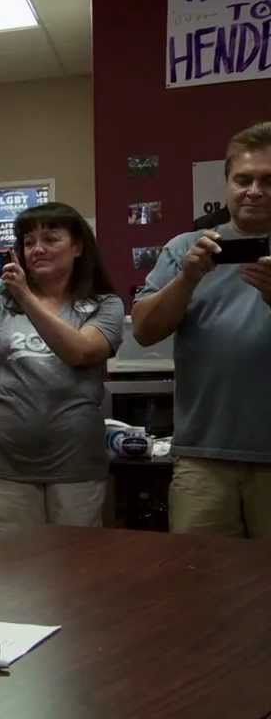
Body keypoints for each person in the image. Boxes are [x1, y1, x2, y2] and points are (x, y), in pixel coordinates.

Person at [0, 202, 123, 529]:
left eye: (51, 239)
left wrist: (25, 296)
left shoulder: (104, 304)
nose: (37, 249)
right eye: (28, 241)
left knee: (76, 567)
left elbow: (80, 352)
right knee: (10, 570)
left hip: (76, 464)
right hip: (5, 465)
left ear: (78, 246)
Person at [132, 121, 271, 538]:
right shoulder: (185, 249)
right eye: (243, 179)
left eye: (268, 180)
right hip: (202, 457)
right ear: (226, 183)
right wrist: (188, 278)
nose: (254, 190)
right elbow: (143, 331)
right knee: (201, 588)